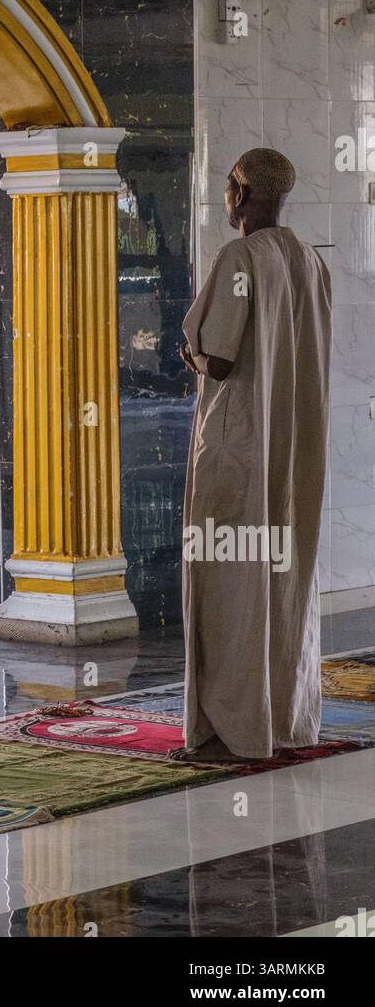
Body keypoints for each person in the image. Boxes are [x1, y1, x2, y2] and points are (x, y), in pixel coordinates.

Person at [175, 148, 331, 761]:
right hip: (296, 451)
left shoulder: (240, 257)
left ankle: (230, 724)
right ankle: (285, 718)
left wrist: (188, 356)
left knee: (228, 584)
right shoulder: (311, 262)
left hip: (239, 449)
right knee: (284, 583)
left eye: (231, 186)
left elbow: (218, 358)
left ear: (243, 193)